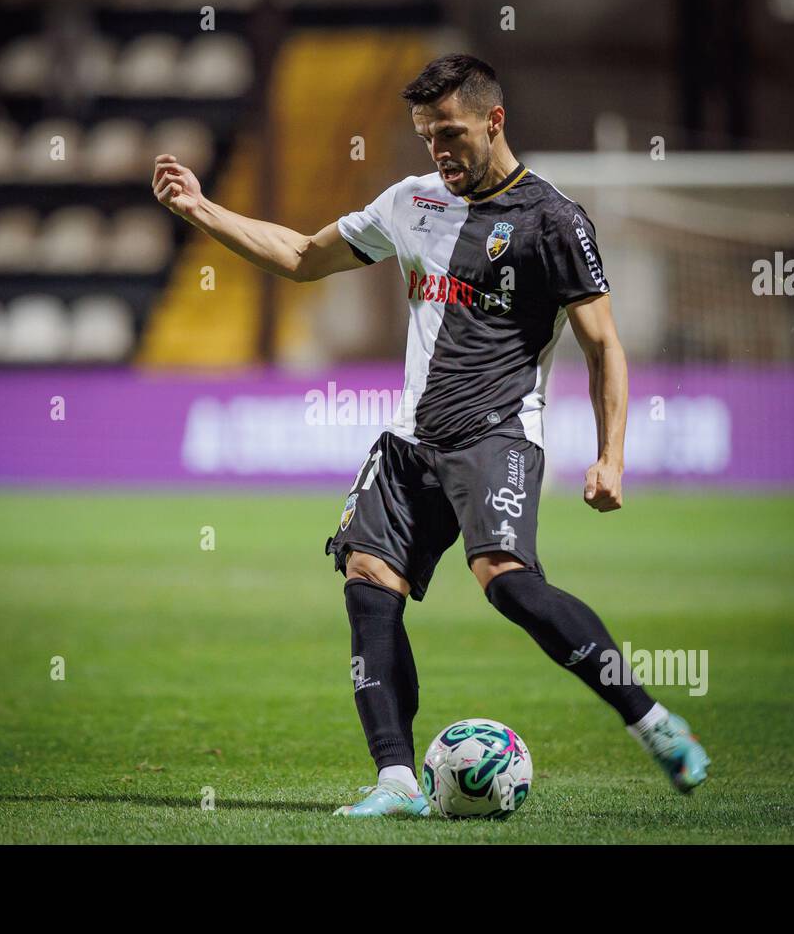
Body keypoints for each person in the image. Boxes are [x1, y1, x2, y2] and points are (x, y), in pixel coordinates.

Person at [153, 54, 711, 817]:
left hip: (496, 435)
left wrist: (612, 456)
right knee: (366, 580)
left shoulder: (552, 220)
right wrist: (202, 211)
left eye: (451, 133)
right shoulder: (409, 201)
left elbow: (603, 343)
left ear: (494, 120)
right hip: (408, 438)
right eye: (426, 137)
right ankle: (396, 782)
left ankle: (651, 723)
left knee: (507, 582)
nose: (439, 152)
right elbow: (298, 257)